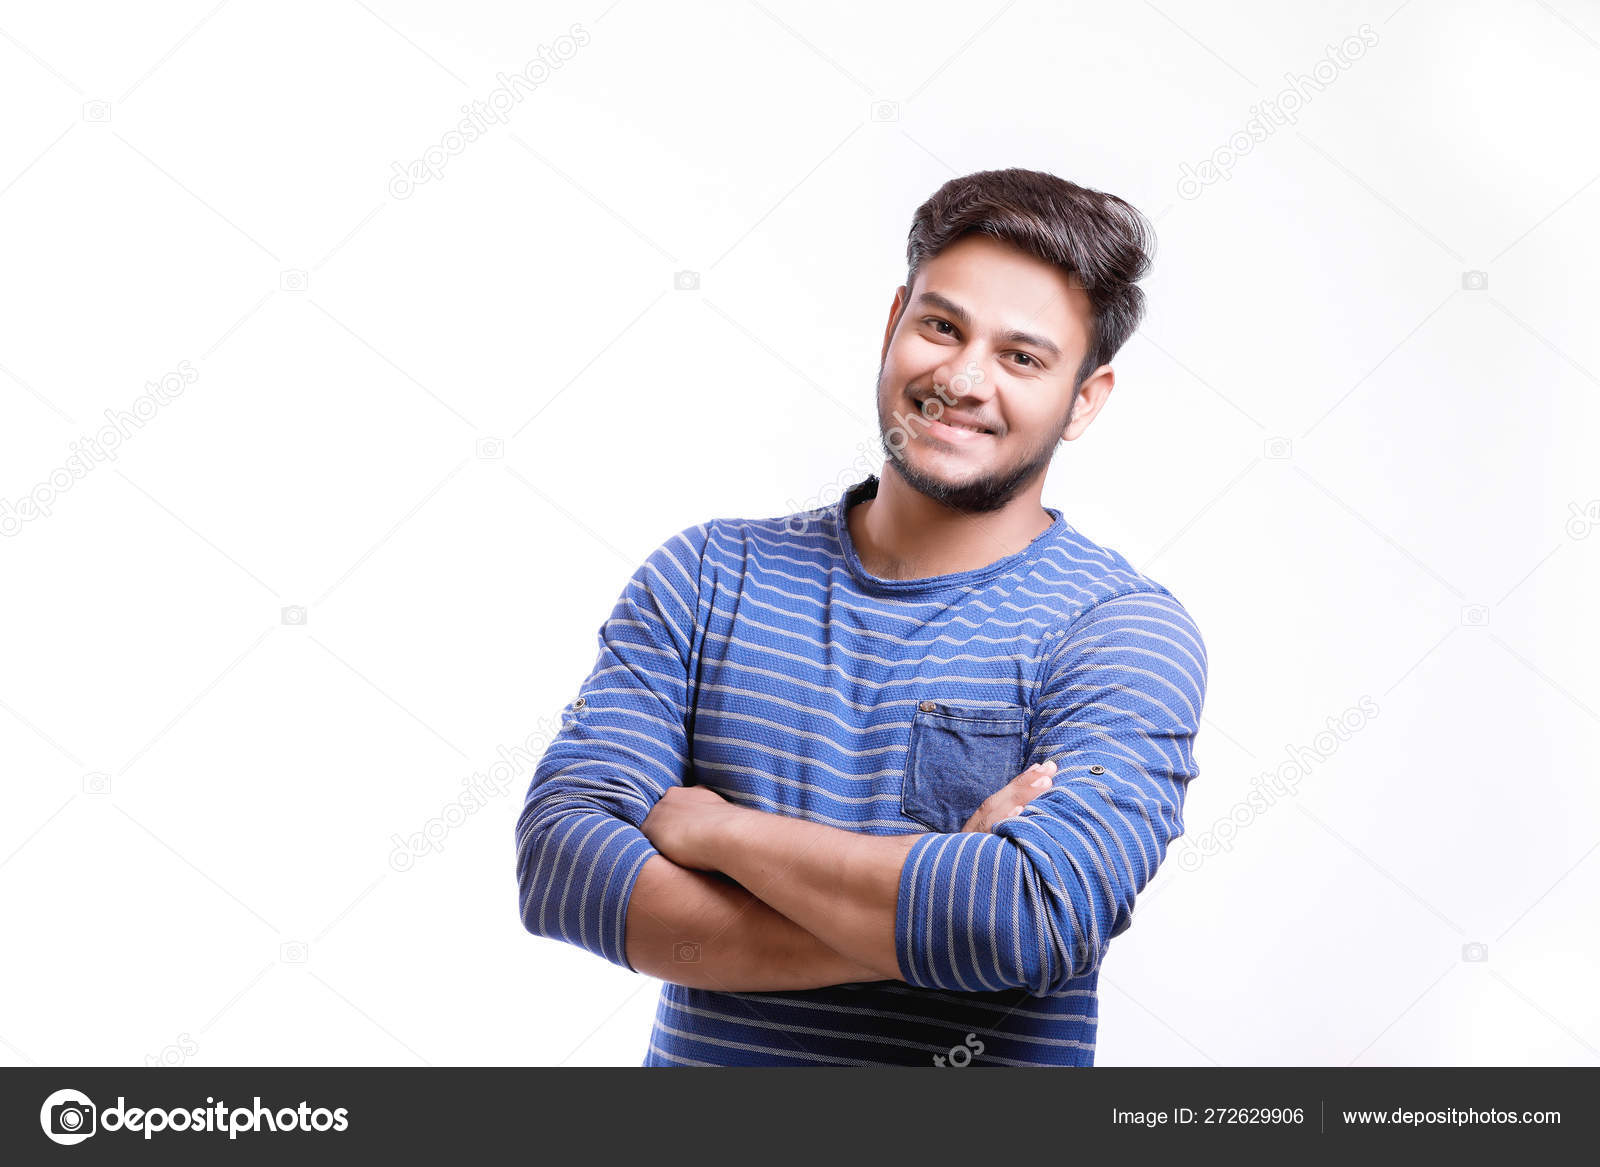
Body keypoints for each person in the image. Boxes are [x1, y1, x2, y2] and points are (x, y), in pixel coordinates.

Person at [514, 167, 1208, 1066]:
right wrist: (933, 895)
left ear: (1086, 398)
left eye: (1022, 357)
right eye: (942, 326)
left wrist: (722, 832)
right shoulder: (705, 577)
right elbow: (563, 869)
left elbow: (1032, 919)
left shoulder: (1118, 630)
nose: (961, 378)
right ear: (893, 322)